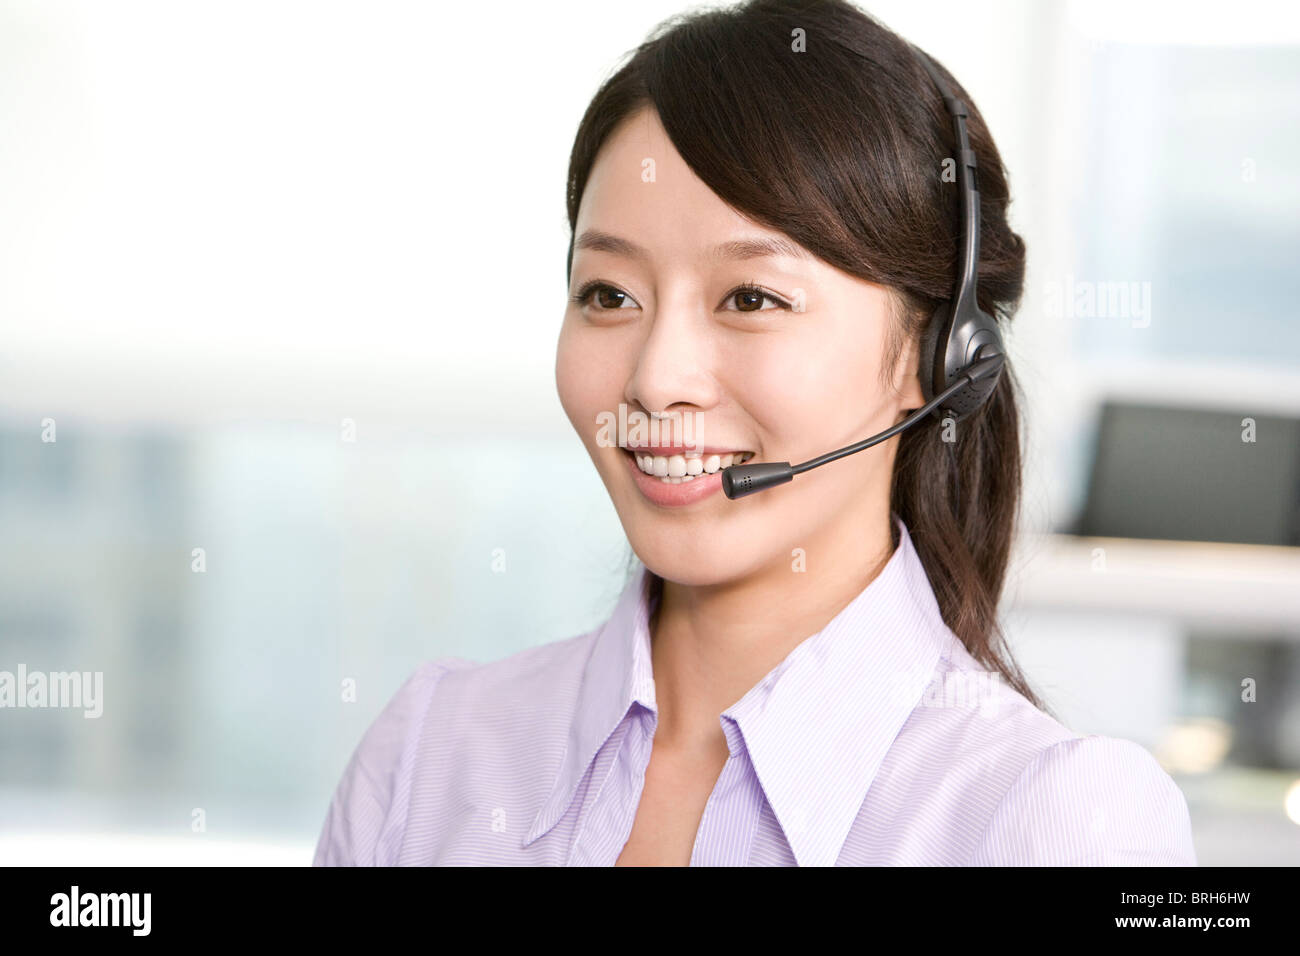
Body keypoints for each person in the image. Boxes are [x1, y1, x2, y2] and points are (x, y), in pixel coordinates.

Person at [313, 0, 1196, 866]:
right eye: (610, 295)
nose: (657, 378)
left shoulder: (1053, 822)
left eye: (752, 299)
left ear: (932, 358)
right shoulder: (427, 756)